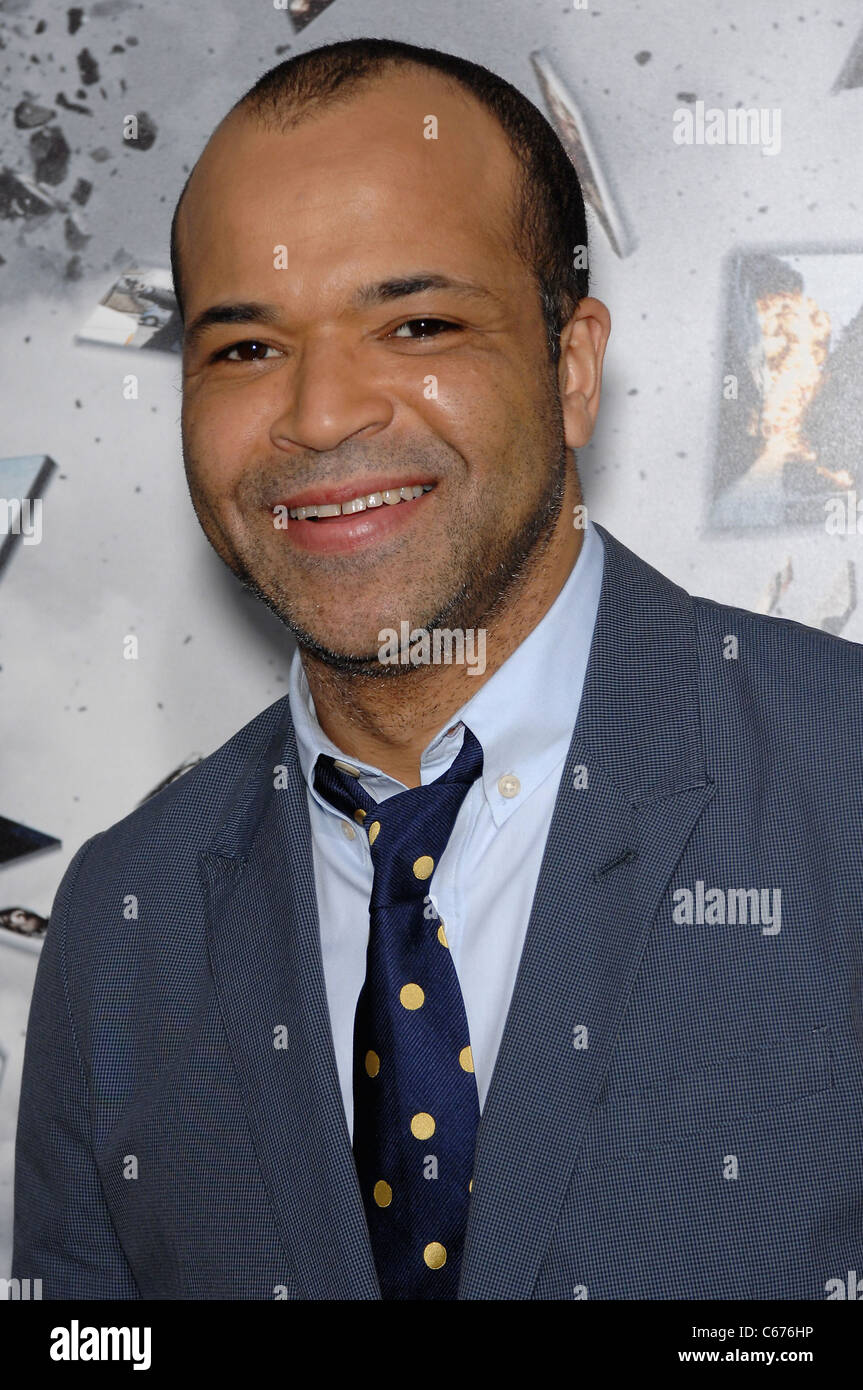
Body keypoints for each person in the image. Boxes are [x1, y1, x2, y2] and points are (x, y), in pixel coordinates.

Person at [12, 37, 863, 1302]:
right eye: (244, 347)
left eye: (415, 322)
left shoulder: (835, 790)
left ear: (569, 367)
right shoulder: (124, 919)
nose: (319, 411)